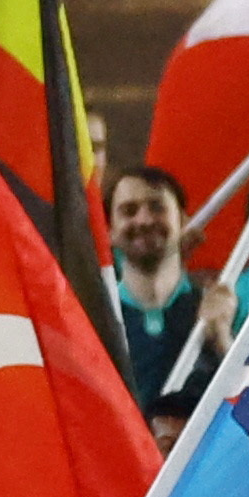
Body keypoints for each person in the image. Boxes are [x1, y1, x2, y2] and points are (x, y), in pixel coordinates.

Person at [100, 164, 220, 425]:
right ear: (108, 231)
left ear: (184, 222)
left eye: (157, 207)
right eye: (129, 211)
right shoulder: (95, 319)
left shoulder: (220, 307)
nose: (144, 220)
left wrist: (223, 339)